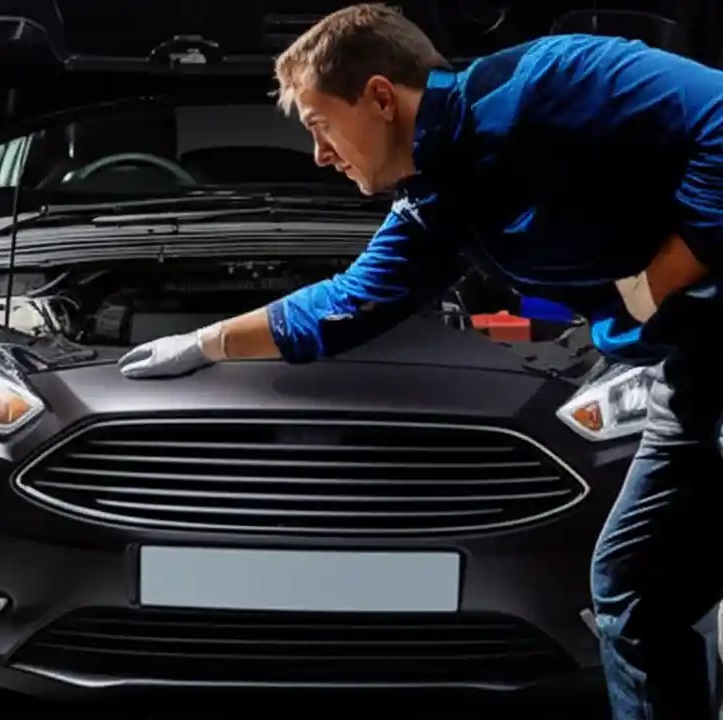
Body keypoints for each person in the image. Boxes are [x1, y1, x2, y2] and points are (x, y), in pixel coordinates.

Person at [116, 4, 723, 719]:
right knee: (633, 585)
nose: (319, 154)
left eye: (319, 126)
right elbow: (346, 305)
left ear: (379, 97)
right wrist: (203, 344)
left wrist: (657, 282)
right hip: (690, 374)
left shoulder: (549, 79)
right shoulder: (436, 204)